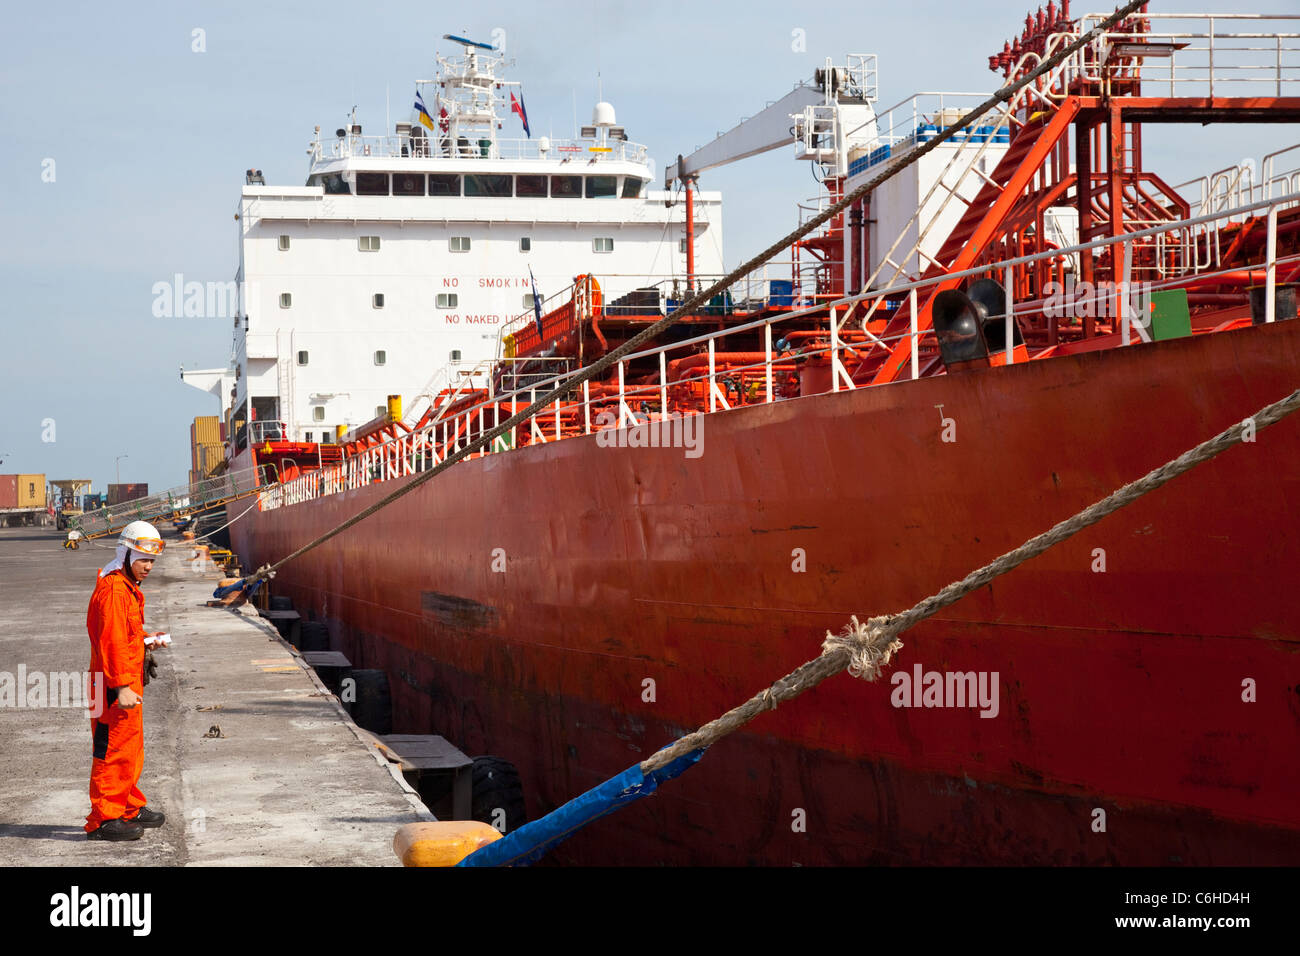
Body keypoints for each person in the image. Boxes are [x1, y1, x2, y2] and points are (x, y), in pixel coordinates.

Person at [84, 520, 167, 841]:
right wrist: (120, 687)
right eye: (143, 559)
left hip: (124, 683)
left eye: (152, 561)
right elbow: (111, 642)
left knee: (130, 749)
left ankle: (127, 806)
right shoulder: (116, 592)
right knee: (112, 751)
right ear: (126, 555)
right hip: (111, 687)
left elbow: (126, 635)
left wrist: (147, 640)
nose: (148, 567)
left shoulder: (125, 586)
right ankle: (103, 820)